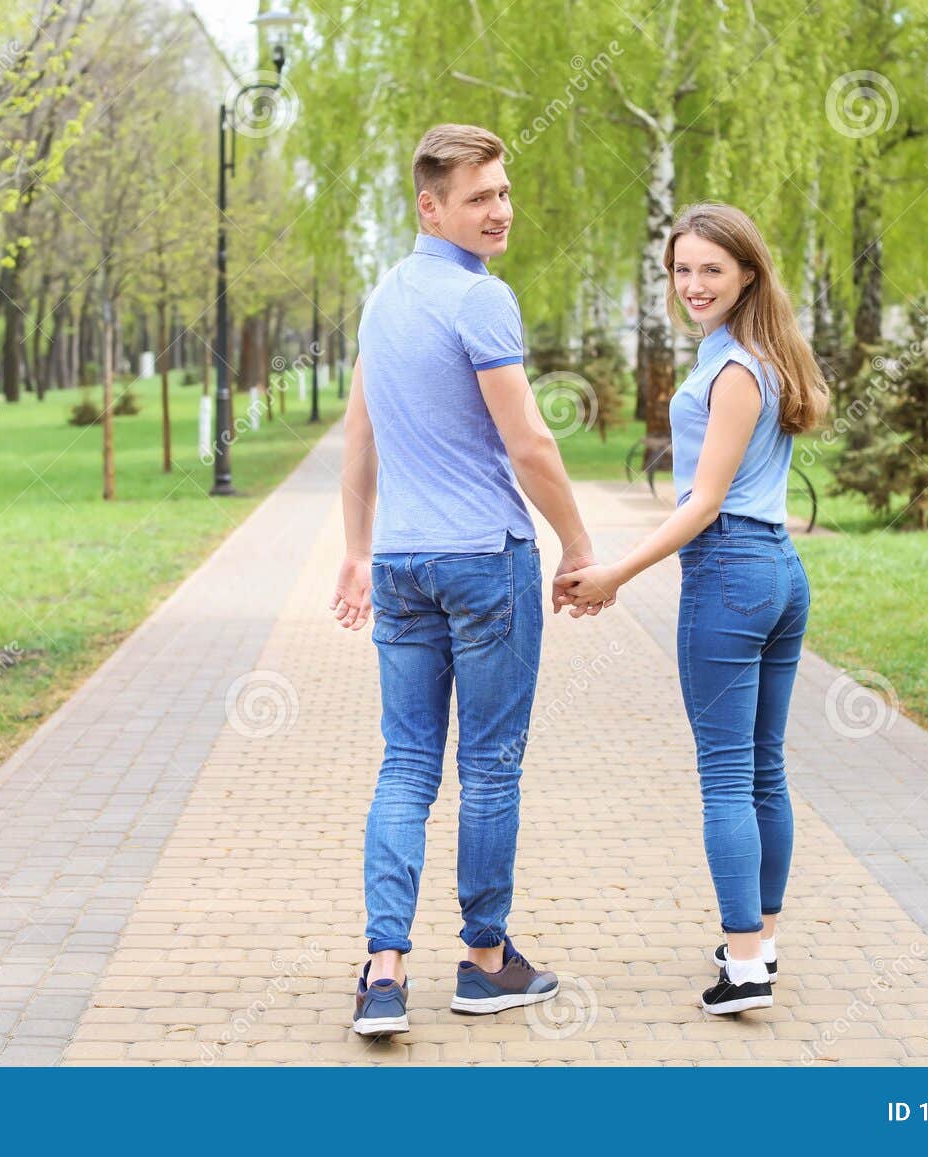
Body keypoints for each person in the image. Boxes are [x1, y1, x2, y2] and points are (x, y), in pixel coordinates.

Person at [330, 123, 605, 1037]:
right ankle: (486, 963)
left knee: (406, 763)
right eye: (480, 196)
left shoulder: (382, 300)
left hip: (405, 564)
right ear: (430, 205)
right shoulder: (480, 302)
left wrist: (358, 548)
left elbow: (359, 437)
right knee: (487, 766)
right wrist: (576, 543)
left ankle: (383, 971)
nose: (500, 211)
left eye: (503, 191)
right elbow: (528, 440)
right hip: (485, 560)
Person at [558, 202, 829, 1015]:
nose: (693, 284)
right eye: (682, 269)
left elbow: (705, 502)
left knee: (729, 776)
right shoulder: (751, 356)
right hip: (777, 572)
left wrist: (615, 573)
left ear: (748, 272)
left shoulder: (739, 369)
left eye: (712, 268)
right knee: (763, 768)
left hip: (731, 573)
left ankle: (745, 966)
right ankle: (760, 941)